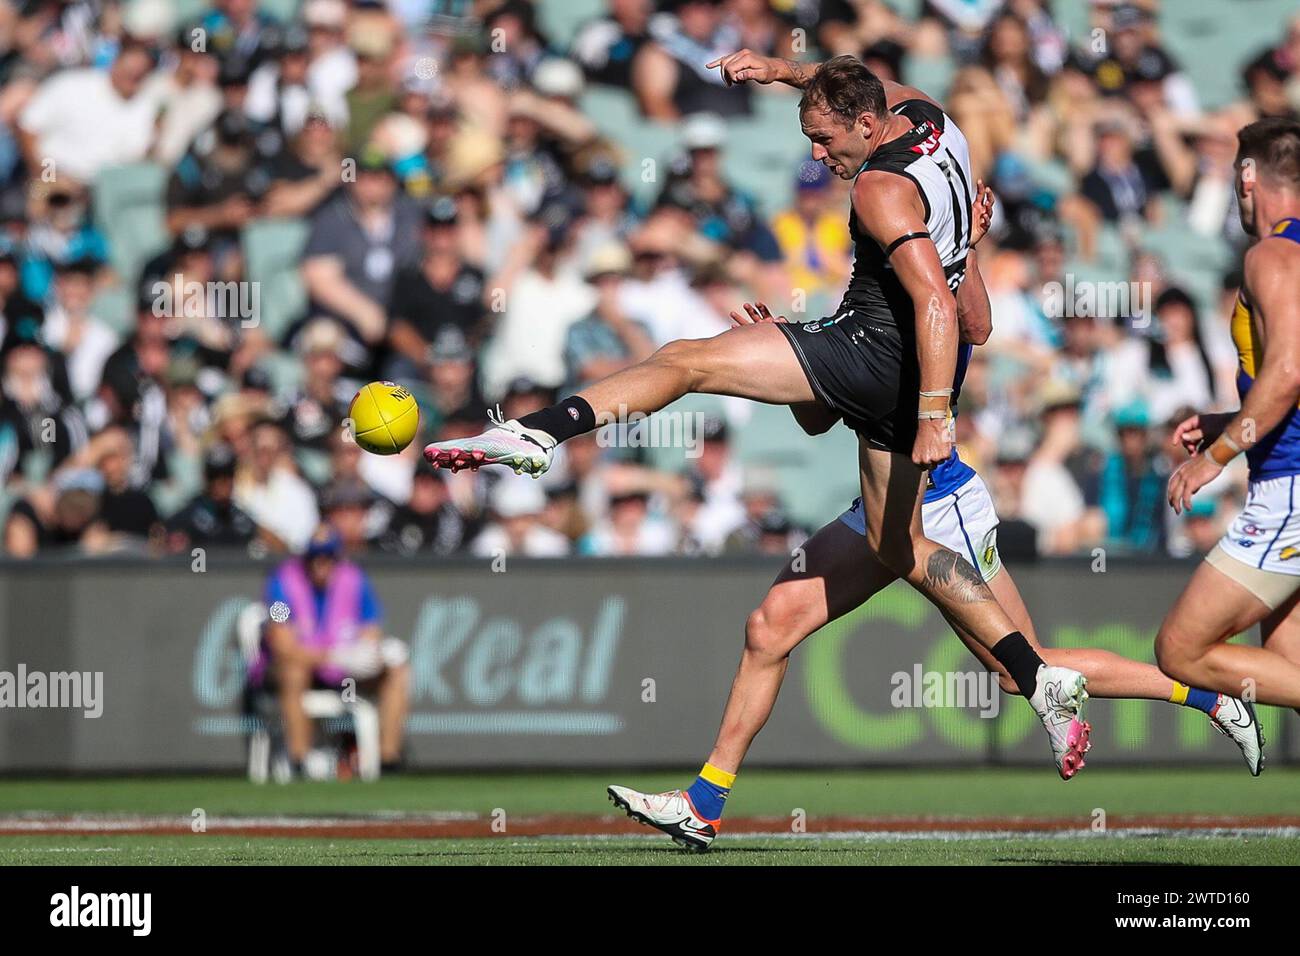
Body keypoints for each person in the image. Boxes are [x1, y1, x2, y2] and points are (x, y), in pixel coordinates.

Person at [427, 52, 1092, 767]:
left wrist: (935, 416)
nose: (817, 153)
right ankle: (1038, 678)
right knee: (895, 543)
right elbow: (967, 313)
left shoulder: (879, 188)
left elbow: (935, 302)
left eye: (826, 139)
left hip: (877, 352)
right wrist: (780, 69)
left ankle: (538, 433)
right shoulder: (931, 118)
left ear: (867, 124)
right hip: (898, 368)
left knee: (687, 360)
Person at [607, 193, 1261, 852]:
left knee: (1022, 669)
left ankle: (1208, 696)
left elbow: (975, 323)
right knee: (771, 625)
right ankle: (704, 800)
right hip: (886, 501)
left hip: (939, 504)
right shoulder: (869, 299)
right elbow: (819, 416)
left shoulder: (936, 305)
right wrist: (794, 368)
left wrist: (969, 250)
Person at [1156, 118, 1300, 710]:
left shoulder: (1273, 254)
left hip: (1289, 489)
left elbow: (1289, 370)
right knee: (1289, 668)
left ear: (1247, 175)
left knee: (1181, 649)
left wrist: (1217, 456)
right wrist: (1229, 420)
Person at [256, 525, 410, 774]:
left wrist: (370, 652)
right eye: (315, 556)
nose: (321, 563)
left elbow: (371, 627)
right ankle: (299, 761)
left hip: (342, 675)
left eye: (327, 556)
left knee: (397, 670)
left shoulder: (354, 580)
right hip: (297, 671)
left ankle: (388, 760)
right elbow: (281, 642)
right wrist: (334, 656)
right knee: (293, 671)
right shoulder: (282, 583)